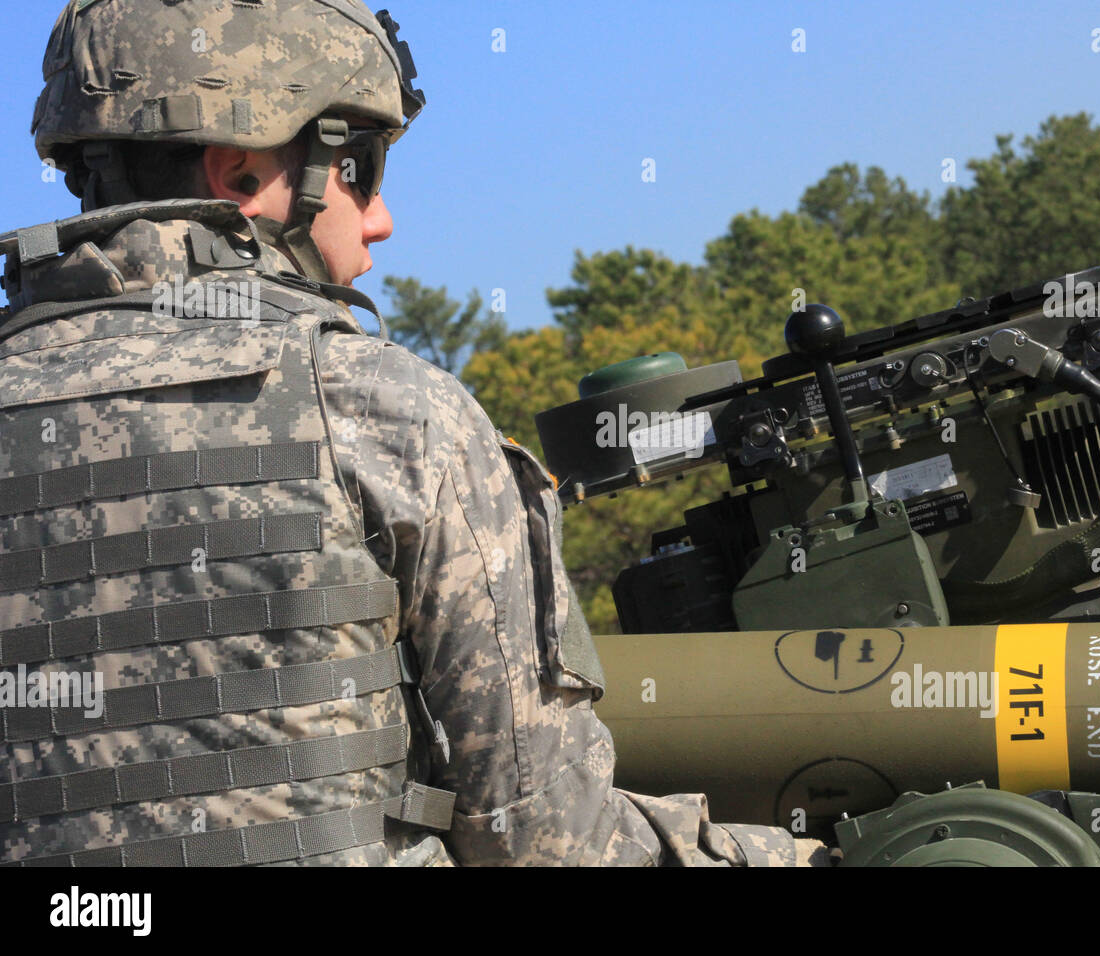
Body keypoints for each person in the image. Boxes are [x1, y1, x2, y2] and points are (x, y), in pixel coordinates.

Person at [0, 0, 826, 867]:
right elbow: (544, 842)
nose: (380, 217)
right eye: (357, 166)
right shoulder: (384, 410)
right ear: (238, 175)